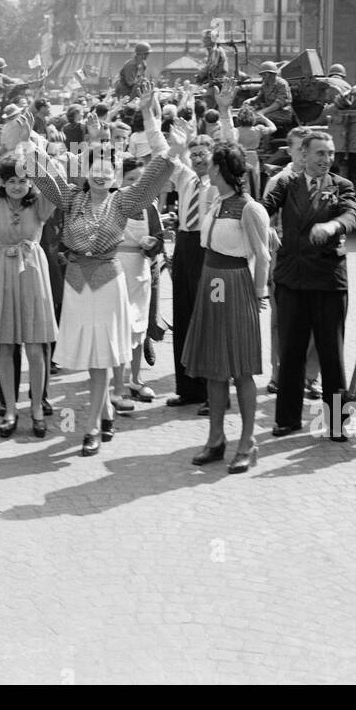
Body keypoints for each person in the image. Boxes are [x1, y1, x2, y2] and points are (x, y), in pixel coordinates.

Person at [17, 84, 174, 456]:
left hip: (107, 283)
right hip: (75, 284)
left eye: (109, 167)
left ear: (116, 172)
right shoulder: (70, 198)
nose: (102, 173)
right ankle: (103, 415)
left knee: (102, 357)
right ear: (86, 172)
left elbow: (159, 169)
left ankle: (90, 428)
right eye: (95, 167)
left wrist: (154, 124)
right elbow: (42, 174)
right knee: (87, 356)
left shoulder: (125, 201)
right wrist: (26, 140)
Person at [262, 130, 356, 441]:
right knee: (291, 352)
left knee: (331, 353)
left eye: (330, 154)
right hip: (292, 279)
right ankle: (288, 419)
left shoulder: (341, 185)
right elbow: (263, 207)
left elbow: (352, 215)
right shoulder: (287, 185)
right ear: (304, 155)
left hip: (328, 280)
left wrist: (332, 225)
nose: (327, 160)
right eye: (320, 153)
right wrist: (263, 226)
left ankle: (336, 423)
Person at [0, 135, 59, 438]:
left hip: (32, 271)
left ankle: (35, 409)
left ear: (30, 181)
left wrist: (39, 156)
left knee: (35, 345)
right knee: (5, 345)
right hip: (4, 272)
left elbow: (57, 189)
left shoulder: (40, 206)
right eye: (10, 180)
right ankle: (10, 410)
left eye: (23, 179)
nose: (17, 185)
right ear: (1, 183)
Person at [184, 142, 271, 474]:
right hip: (212, 282)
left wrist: (259, 293)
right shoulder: (216, 202)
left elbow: (262, 255)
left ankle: (248, 441)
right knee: (213, 365)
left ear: (220, 169)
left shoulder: (248, 208)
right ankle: (216, 438)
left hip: (234, 285)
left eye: (213, 165)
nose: (208, 168)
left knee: (240, 367)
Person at [164, 107, 221, 412]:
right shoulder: (185, 178)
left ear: (214, 154)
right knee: (184, 315)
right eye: (194, 153)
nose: (198, 157)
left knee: (210, 318)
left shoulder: (221, 183)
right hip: (185, 246)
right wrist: (178, 142)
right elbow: (168, 159)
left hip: (209, 247)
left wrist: (224, 112)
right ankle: (188, 388)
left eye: (204, 152)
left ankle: (215, 393)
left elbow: (231, 141)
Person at [114, 155, 165, 405]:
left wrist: (152, 244)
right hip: (114, 272)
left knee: (138, 328)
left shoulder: (150, 208)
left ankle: (136, 379)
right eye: (130, 179)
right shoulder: (113, 204)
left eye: (139, 180)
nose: (135, 184)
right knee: (117, 329)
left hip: (140, 272)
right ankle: (116, 384)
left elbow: (159, 239)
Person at [250, 61, 294, 134]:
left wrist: (263, 112)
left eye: (265, 74)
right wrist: (250, 101)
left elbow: (279, 103)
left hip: (282, 113)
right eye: (262, 74)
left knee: (261, 119)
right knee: (249, 117)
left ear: (272, 74)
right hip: (270, 111)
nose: (263, 76)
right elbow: (259, 97)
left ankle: (265, 144)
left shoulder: (282, 84)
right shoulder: (265, 84)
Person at [194, 29, 232, 105]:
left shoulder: (216, 51)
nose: (203, 40)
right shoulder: (213, 50)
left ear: (211, 39)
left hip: (217, 82)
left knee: (206, 100)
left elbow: (211, 67)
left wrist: (200, 75)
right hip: (215, 81)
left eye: (205, 38)